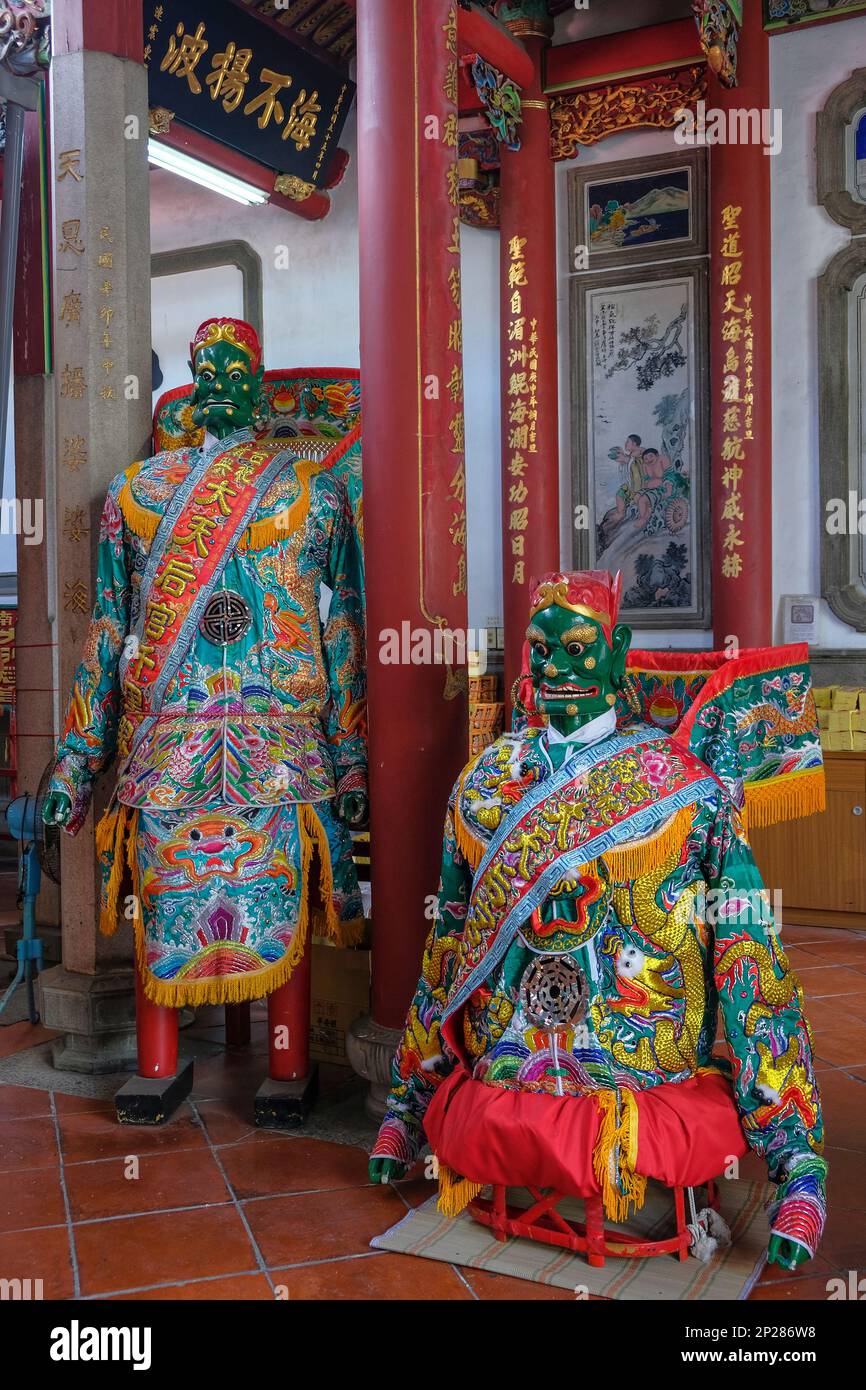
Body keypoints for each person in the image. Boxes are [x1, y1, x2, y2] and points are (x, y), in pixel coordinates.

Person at [369, 569, 826, 1272]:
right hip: (515, 1048)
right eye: (541, 650)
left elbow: (747, 950)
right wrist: (414, 1089)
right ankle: (413, 1105)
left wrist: (791, 1142)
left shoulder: (681, 788)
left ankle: (796, 1160)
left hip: (636, 1050)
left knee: (746, 957)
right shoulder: (486, 783)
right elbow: (452, 941)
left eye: (578, 649)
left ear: (616, 651)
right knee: (454, 940)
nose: (556, 669)